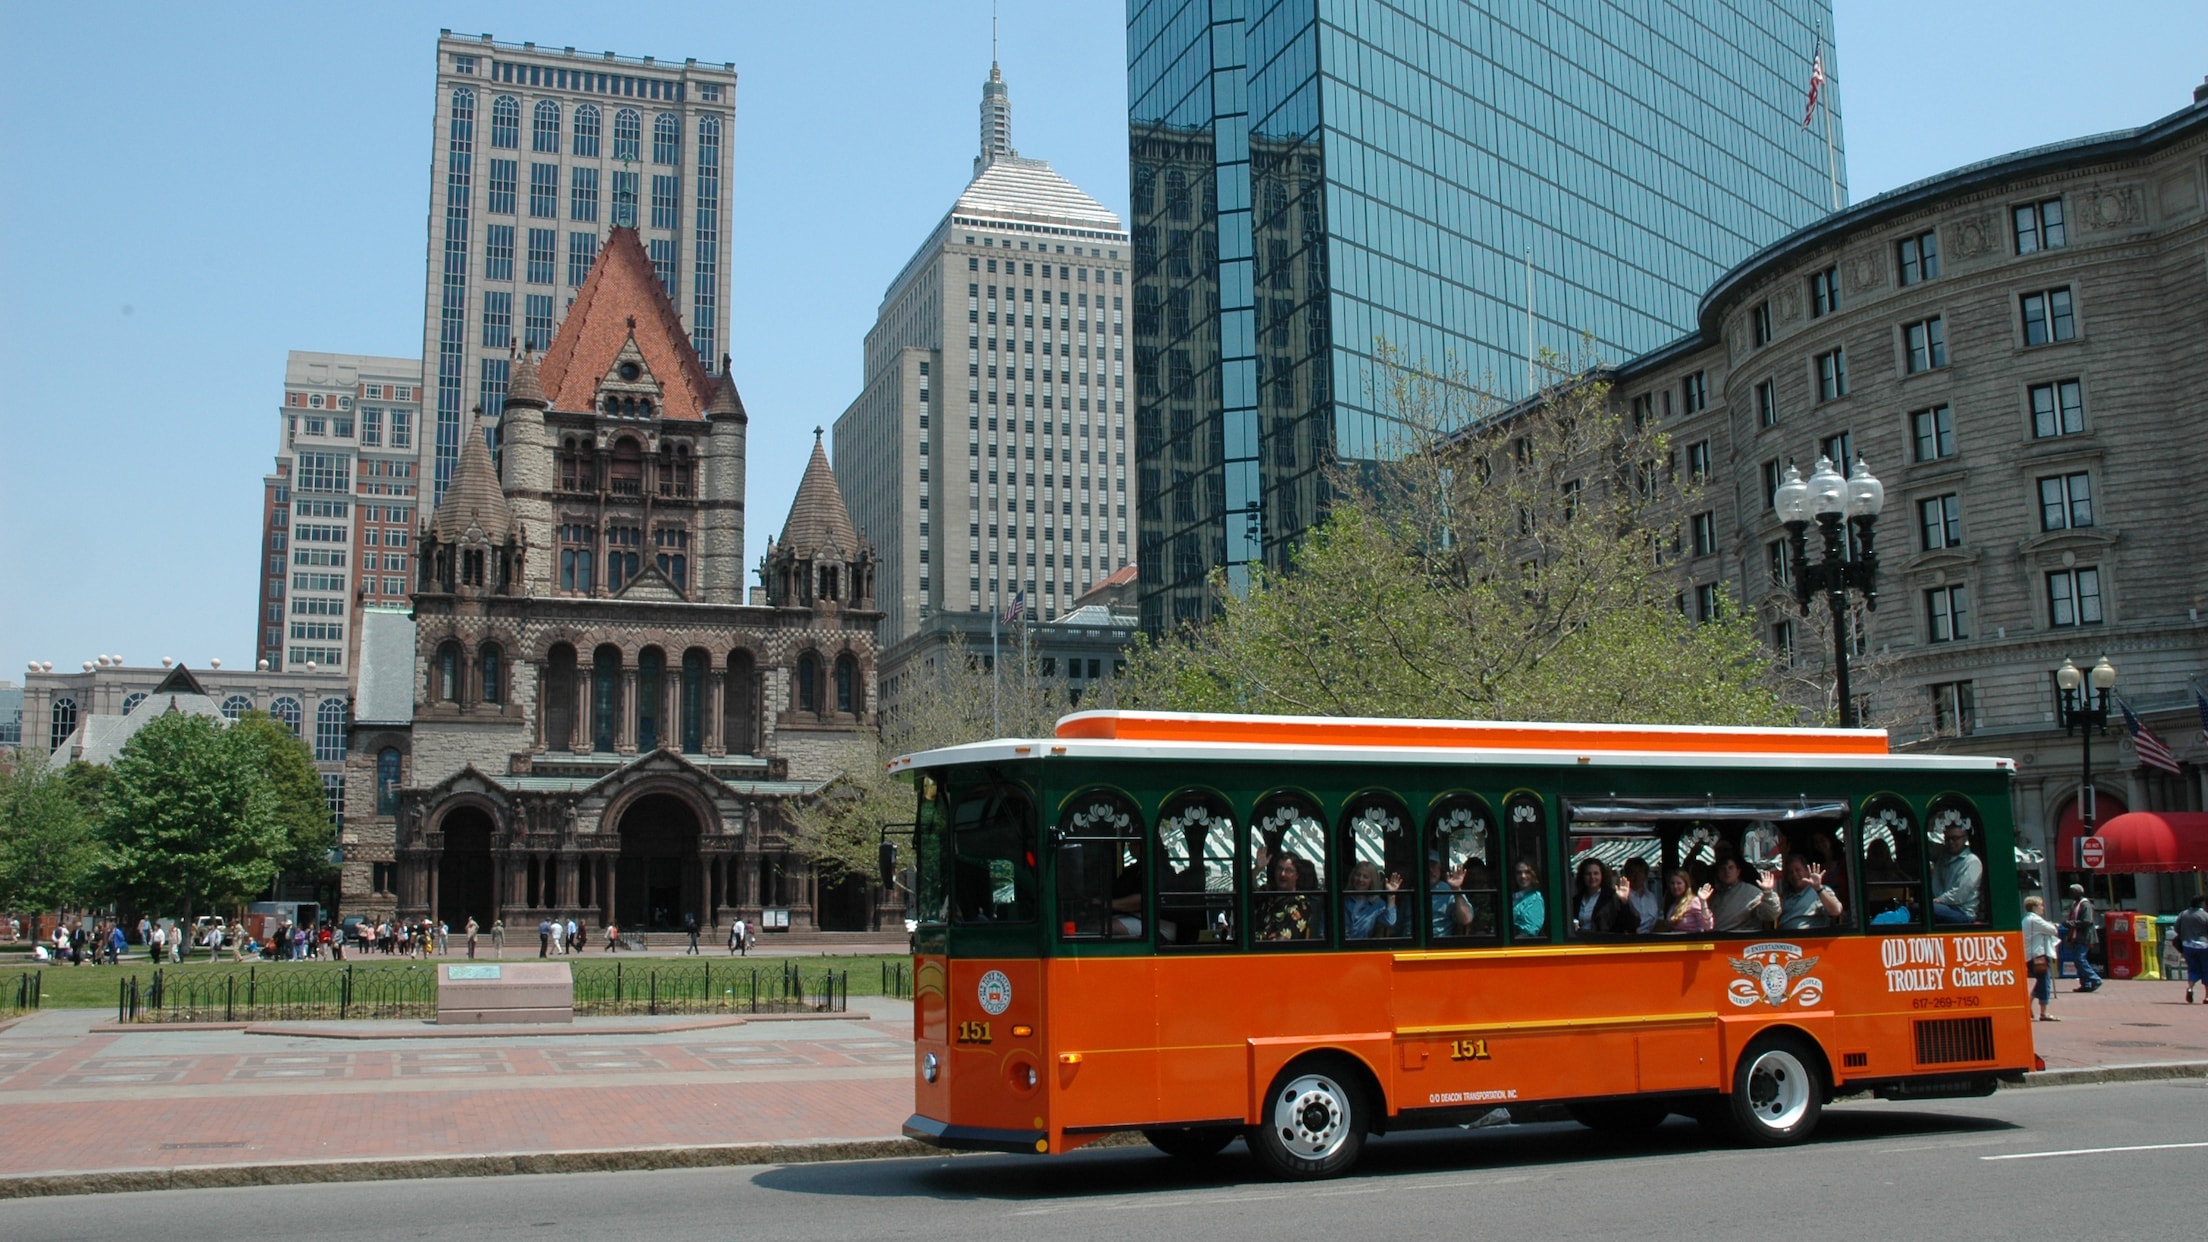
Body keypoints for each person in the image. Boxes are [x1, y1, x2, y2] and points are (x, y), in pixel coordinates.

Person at [1707, 857, 1780, 933]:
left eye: (1730, 868)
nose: (1727, 871)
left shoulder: (1752, 892)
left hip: (1742, 939)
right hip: (1714, 939)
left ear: (1738, 872)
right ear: (1718, 873)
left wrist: (1768, 893)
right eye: (1722, 869)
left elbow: (1771, 915)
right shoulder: (1713, 895)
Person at [1931, 820, 1984, 923]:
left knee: (1926, 908)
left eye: (1955, 838)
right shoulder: (1943, 858)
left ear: (1965, 838)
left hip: (1962, 912)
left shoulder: (1972, 862)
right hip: (1943, 906)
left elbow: (1960, 893)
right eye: (1948, 839)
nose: (1951, 842)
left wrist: (1938, 900)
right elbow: (1936, 884)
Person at [1256, 851, 1316, 941]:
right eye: (1279, 869)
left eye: (1289, 870)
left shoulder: (1300, 904)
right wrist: (1257, 868)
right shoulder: (1267, 892)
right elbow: (1245, 891)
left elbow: (1283, 940)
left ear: (1297, 875)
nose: (1282, 874)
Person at [2022, 895, 2062, 1022]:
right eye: (2041, 906)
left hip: (2030, 955)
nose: (2043, 908)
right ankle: (2043, 1012)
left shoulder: (2025, 920)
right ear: (2034, 907)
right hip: (2039, 955)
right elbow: (2052, 930)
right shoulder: (2036, 920)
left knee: (2041, 981)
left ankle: (2030, 1002)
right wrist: (2053, 925)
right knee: (2045, 982)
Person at [1572, 859, 1637, 937]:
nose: (1592, 877)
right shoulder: (1576, 900)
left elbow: (1634, 924)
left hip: (1605, 944)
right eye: (1588, 874)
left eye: (1596, 874)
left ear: (1602, 876)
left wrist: (1625, 901)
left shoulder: (1612, 897)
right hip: (1580, 944)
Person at [1777, 853, 1843, 929]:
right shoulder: (1786, 896)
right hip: (1782, 937)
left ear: (1807, 871)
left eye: (1798, 870)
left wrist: (1819, 888)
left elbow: (1836, 911)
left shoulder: (1819, 891)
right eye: (1790, 872)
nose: (1794, 875)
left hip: (1806, 938)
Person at [1342, 860, 1403, 940]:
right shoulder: (1342, 900)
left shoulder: (1377, 904)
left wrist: (1391, 895)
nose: (1360, 879)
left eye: (1365, 877)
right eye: (1358, 875)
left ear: (1371, 881)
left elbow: (1390, 922)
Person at [2063, 885, 2103, 992]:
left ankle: (2095, 979)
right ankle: (2086, 983)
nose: (2070, 894)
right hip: (2076, 936)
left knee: (2080, 959)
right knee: (2077, 960)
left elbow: (2087, 921)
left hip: (2084, 936)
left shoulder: (2085, 904)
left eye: (2072, 892)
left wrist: (2070, 924)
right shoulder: (2075, 904)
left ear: (2078, 892)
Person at [1427, 853, 1474, 938]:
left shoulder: (1448, 891)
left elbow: (1466, 919)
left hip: (1437, 945)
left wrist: (1456, 889)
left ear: (1440, 869)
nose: (1430, 870)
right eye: (1426, 866)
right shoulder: (1410, 892)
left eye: (1433, 866)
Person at [2175, 895, 2208, 1005]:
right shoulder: (2205, 915)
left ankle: (2190, 988)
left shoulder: (2183, 914)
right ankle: (2207, 997)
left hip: (2188, 945)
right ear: (2201, 904)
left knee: (2193, 969)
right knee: (2206, 970)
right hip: (2203, 946)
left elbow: (2176, 928)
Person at [1621, 857, 1661, 933]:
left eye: (1640, 872)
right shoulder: (1622, 896)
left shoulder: (1651, 897)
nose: (1637, 876)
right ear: (1627, 875)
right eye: (1633, 872)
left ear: (1645, 875)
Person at [1509, 859, 1546, 938]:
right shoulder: (1513, 896)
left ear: (1533, 874)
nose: (1523, 876)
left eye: (1527, 872)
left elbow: (1531, 930)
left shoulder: (1535, 898)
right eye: (1519, 873)